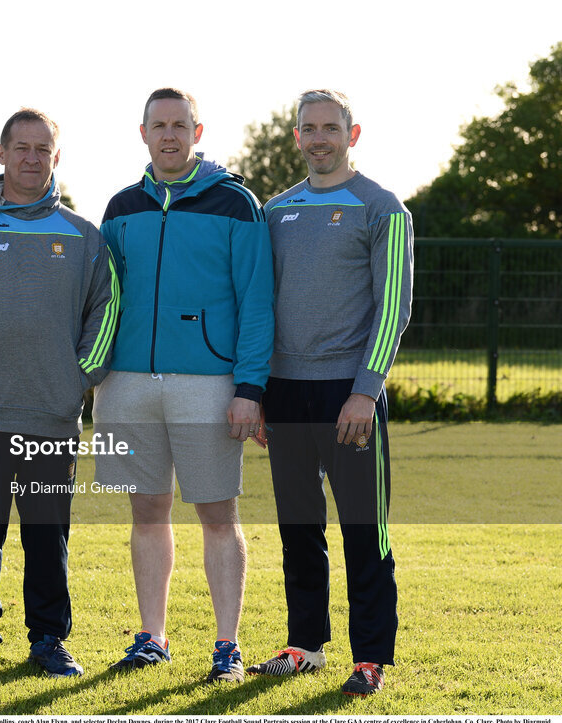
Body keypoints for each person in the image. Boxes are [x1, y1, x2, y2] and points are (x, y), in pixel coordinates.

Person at [0, 108, 119, 678]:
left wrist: (78, 378)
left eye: (43, 149)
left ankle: (49, 640)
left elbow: (106, 310)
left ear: (56, 157)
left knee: (47, 537)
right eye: (22, 147)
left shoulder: (83, 236)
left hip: (51, 417)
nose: (32, 158)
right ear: (1, 153)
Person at [92, 87, 273, 683]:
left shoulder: (236, 203)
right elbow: (100, 298)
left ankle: (228, 646)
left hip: (209, 382)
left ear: (197, 132)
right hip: (126, 381)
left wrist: (249, 387)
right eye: (159, 125)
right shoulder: (120, 206)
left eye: (179, 125)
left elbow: (256, 301)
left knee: (218, 514)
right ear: (142, 133)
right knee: (147, 511)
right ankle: (152, 637)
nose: (168, 135)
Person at [247, 89, 413, 697]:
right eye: (309, 128)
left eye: (330, 128)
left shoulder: (382, 208)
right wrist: (259, 390)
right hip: (286, 393)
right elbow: (260, 306)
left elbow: (393, 308)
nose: (319, 138)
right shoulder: (276, 210)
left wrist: (365, 392)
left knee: (364, 530)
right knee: (298, 528)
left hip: (350, 393)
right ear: (296, 136)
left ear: (352, 134)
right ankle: (305, 646)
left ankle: (369, 658)